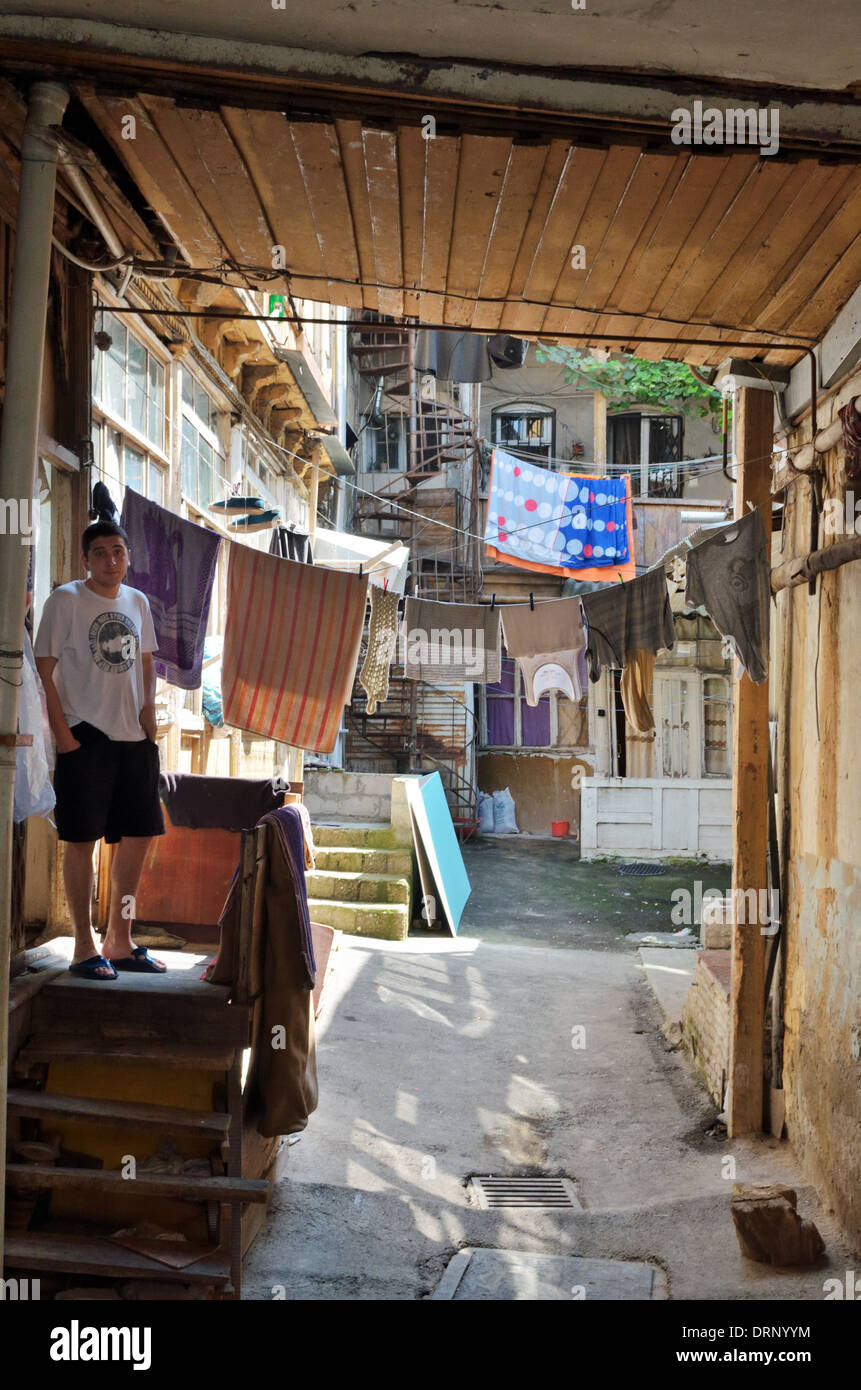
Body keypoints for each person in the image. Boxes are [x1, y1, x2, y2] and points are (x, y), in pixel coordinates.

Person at [34, 516, 167, 979]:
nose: (111, 560)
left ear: (128, 556)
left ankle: (121, 938)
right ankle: (83, 946)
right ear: (85, 559)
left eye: (118, 551)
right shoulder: (66, 600)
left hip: (135, 739)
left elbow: (147, 662)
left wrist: (150, 714)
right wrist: (64, 739)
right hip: (85, 736)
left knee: (138, 838)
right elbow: (42, 670)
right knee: (80, 840)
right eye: (100, 553)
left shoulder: (139, 601)